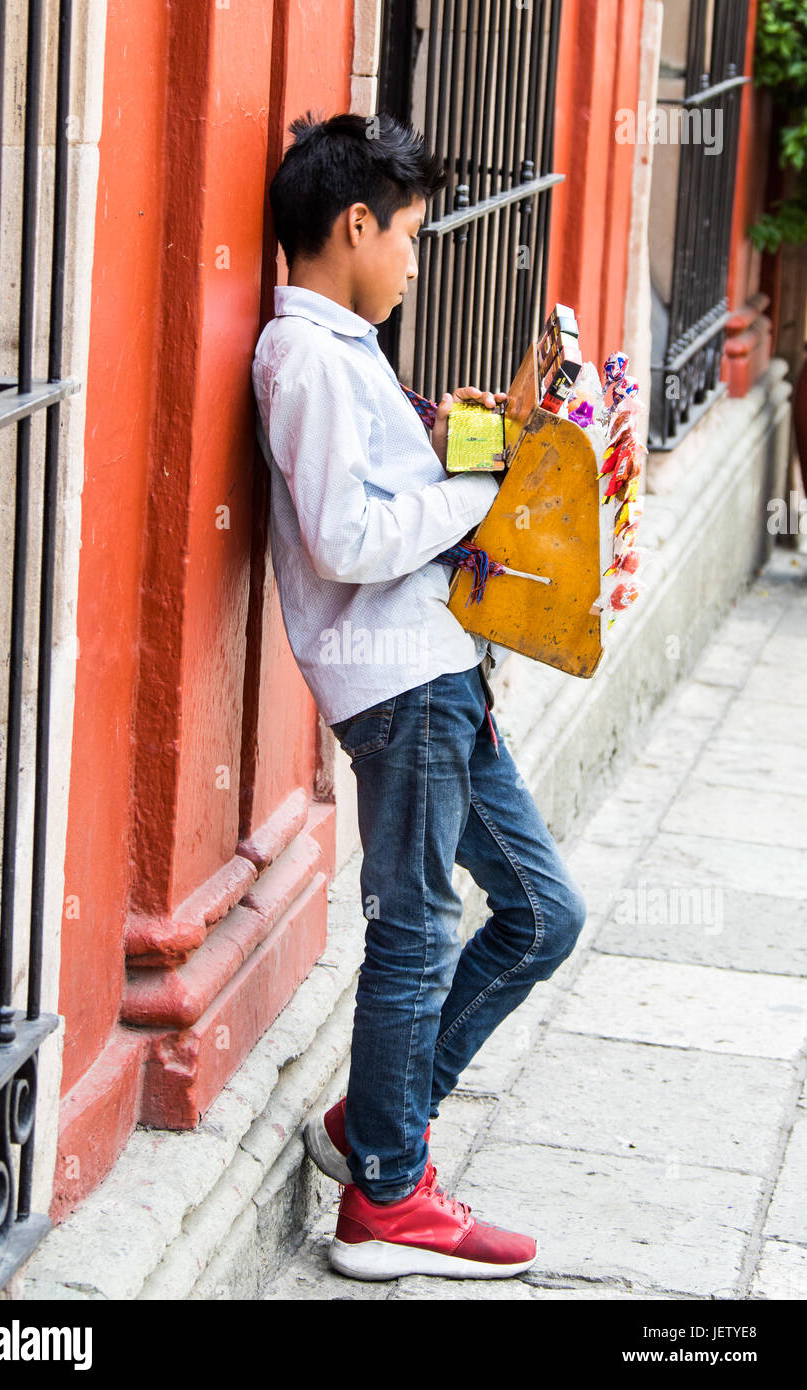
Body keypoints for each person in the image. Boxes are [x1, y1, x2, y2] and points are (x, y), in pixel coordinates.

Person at [251, 110, 586, 1281]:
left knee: (544, 916)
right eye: (408, 237)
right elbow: (349, 537)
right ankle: (386, 1199)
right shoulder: (302, 358)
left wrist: (485, 422)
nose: (410, 259)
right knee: (415, 936)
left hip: (441, 671)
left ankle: (372, 1129)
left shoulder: (345, 353)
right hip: (400, 686)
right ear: (352, 224)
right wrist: (476, 478)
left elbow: (400, 498)